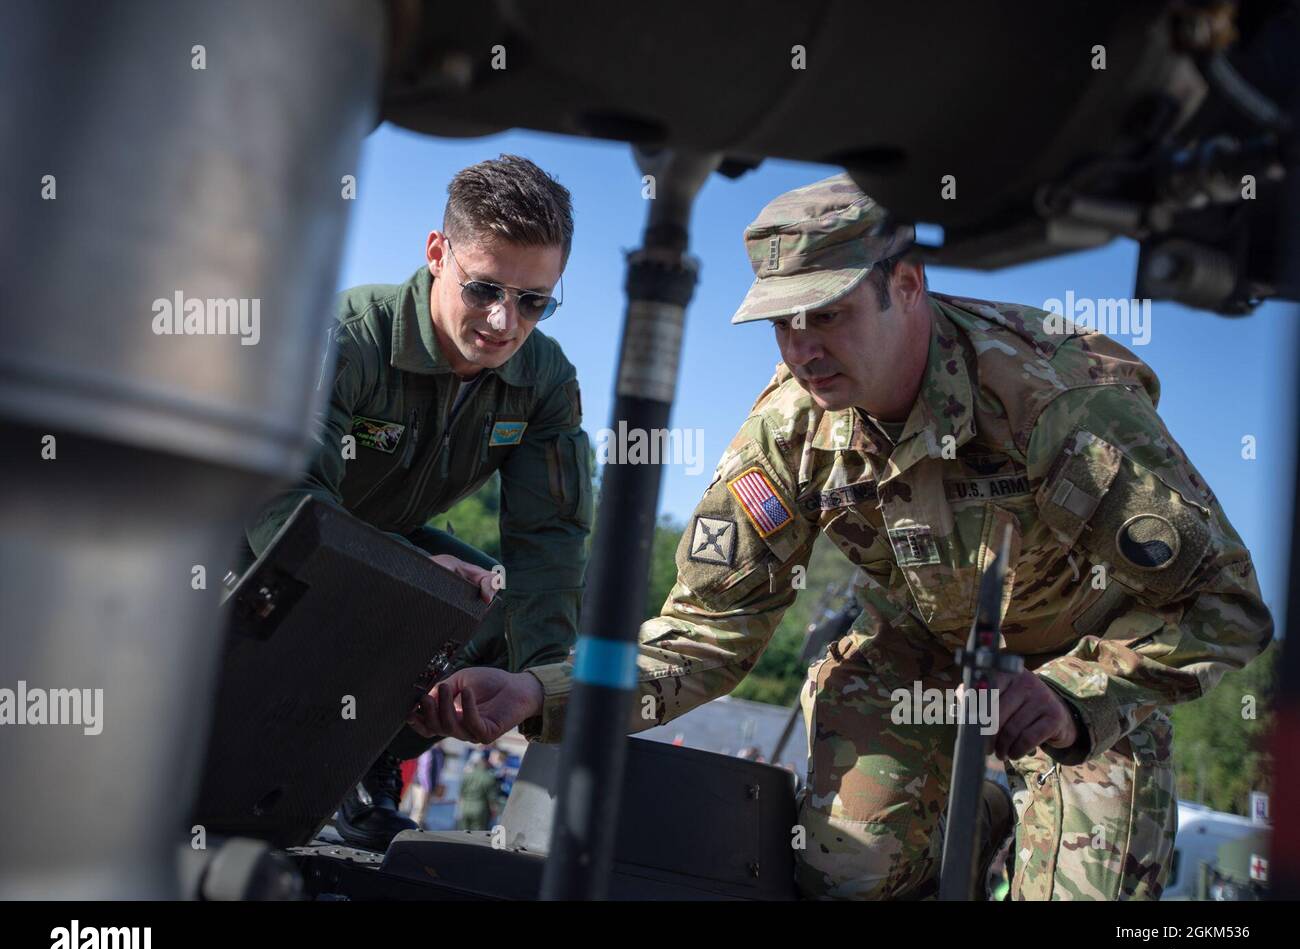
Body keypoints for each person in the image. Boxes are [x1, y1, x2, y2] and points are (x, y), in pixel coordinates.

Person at [406, 174, 1273, 899]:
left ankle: (1018, 820)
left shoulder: (1058, 404)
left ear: (906, 286)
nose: (803, 347)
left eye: (827, 314)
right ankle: (966, 831)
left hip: (1092, 669)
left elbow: (1226, 605)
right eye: (784, 322)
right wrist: (535, 693)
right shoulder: (789, 432)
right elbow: (704, 636)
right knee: (847, 876)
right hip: (919, 650)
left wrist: (1079, 700)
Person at [242, 155, 592, 851]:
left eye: (533, 301)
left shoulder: (544, 383)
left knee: (504, 608)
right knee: (428, 590)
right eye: (485, 288)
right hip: (251, 540)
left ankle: (369, 756)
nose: (502, 321)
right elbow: (282, 496)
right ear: (438, 254)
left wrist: (539, 684)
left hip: (386, 546)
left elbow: (550, 541)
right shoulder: (349, 334)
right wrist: (411, 569)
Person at [455, 748, 503, 832]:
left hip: (465, 807)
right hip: (480, 809)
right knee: (476, 836)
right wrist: (495, 811)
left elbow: (460, 793)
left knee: (462, 834)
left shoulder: (467, 775)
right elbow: (491, 799)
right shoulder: (489, 778)